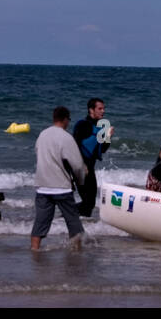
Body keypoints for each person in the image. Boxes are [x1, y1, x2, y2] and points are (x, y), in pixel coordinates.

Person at [31, 105, 87, 251]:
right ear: (65, 119)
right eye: (68, 120)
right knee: (73, 222)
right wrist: (81, 181)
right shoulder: (66, 137)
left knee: (40, 222)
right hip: (61, 186)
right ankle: (77, 252)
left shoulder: (42, 134)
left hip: (42, 186)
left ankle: (34, 249)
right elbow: (77, 165)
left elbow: (38, 153)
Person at [72, 97, 114, 217]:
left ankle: (73, 222)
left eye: (103, 108)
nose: (103, 111)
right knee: (88, 203)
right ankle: (65, 216)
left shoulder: (101, 127)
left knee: (90, 204)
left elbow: (102, 149)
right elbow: (74, 146)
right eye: (100, 108)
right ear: (91, 110)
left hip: (90, 168)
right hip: (80, 168)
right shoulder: (82, 125)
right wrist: (81, 165)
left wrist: (108, 137)